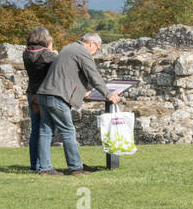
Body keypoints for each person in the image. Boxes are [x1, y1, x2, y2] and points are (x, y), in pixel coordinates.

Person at [35, 32, 121, 176]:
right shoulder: (82, 51)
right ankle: (75, 167)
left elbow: (68, 75)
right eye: (97, 48)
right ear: (92, 43)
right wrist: (108, 94)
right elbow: (93, 75)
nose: (96, 52)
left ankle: (45, 169)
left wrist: (83, 92)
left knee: (45, 132)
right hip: (58, 97)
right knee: (68, 131)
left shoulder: (69, 48)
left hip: (44, 94)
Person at [22, 27, 58, 173]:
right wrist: (51, 48)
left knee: (35, 130)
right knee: (46, 129)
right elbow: (57, 60)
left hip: (31, 93)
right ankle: (43, 164)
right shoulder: (45, 55)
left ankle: (34, 164)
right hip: (43, 94)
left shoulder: (26, 53)